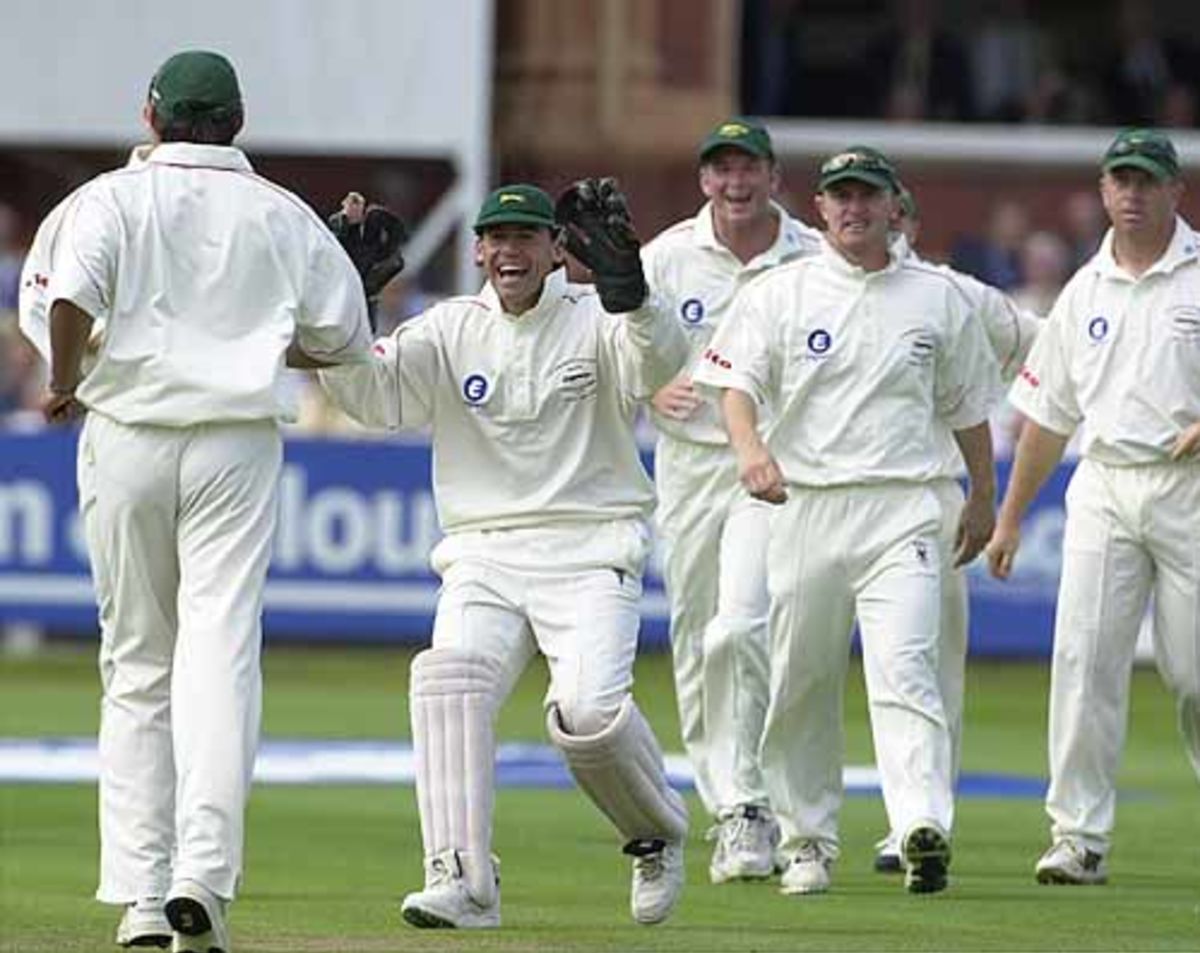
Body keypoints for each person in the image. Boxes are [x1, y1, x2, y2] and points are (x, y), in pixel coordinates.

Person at [39, 50, 375, 952]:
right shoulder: (280, 212)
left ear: (150, 116)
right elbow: (343, 342)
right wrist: (260, 339)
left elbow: (68, 297)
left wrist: (64, 380)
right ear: (238, 120)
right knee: (220, 652)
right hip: (234, 439)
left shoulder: (111, 199)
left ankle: (144, 895)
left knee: (139, 663)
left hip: (129, 434)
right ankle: (203, 875)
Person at [318, 182, 690, 928]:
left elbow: (655, 365)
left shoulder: (599, 316)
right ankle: (462, 881)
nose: (509, 251)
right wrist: (350, 309)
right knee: (446, 681)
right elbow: (373, 399)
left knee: (586, 713)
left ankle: (655, 832)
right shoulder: (449, 327)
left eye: (526, 237)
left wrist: (631, 288)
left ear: (556, 249)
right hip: (483, 554)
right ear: (479, 250)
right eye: (497, 238)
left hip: (591, 548)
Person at [694, 146, 999, 897]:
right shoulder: (782, 291)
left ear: (895, 206)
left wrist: (984, 496)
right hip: (807, 505)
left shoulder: (937, 297)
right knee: (803, 678)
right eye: (842, 196)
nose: (855, 208)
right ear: (822, 207)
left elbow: (968, 409)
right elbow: (735, 384)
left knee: (907, 668)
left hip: (904, 508)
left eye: (868, 196)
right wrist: (751, 451)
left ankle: (922, 823)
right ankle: (806, 840)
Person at [987, 128, 1200, 885]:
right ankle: (1077, 836)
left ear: (1176, 190)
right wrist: (1010, 517)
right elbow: (1047, 417)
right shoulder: (1084, 289)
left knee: (1194, 673)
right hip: (1105, 483)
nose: (1133, 194)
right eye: (1122, 181)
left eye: (1148, 181)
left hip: (1190, 487)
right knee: (1083, 662)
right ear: (1105, 191)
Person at [640, 117, 821, 884]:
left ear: (774, 176)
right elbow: (619, 339)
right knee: (695, 636)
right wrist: (648, 386)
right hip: (688, 465)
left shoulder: (811, 256)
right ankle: (731, 804)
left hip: (772, 468)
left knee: (741, 626)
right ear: (704, 179)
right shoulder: (668, 255)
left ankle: (750, 800)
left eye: (749, 169)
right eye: (722, 170)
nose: (735, 183)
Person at [869, 184, 1041, 873]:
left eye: (897, 215)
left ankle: (919, 821)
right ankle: (796, 826)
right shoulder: (809, 286)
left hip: (928, 492)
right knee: (800, 665)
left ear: (908, 221)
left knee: (924, 665)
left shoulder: (957, 294)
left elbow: (1045, 349)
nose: (888, 227)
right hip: (821, 496)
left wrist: (1016, 408)